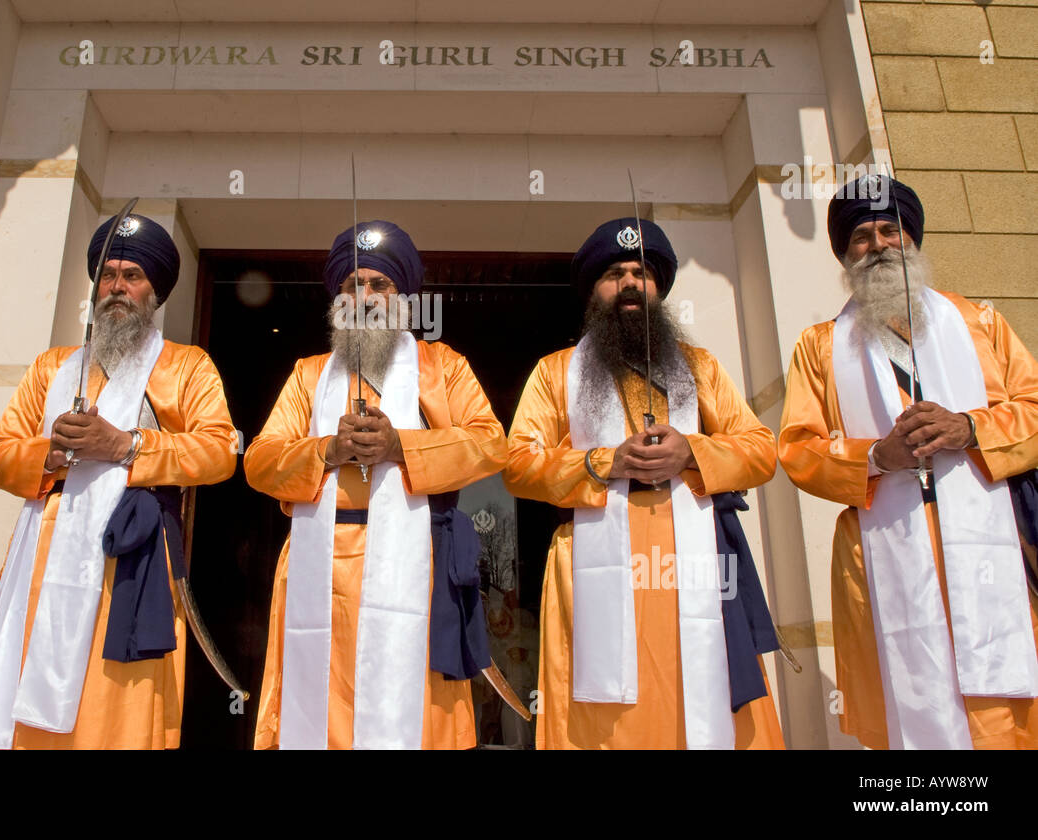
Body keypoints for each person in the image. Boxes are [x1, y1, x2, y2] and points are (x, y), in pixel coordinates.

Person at [0, 214, 236, 750]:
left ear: (155, 290)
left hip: (131, 557)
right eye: (108, 276)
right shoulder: (51, 366)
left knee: (115, 703)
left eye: (132, 276)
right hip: (44, 551)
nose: (118, 288)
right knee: (30, 687)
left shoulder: (187, 366)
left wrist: (126, 446)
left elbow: (220, 452)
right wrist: (51, 454)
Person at [779, 174, 1038, 749]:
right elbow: (797, 449)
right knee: (910, 702)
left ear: (912, 240)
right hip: (879, 549)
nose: (877, 246)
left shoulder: (980, 323)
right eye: (861, 237)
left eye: (890, 231)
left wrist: (969, 427)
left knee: (1001, 715)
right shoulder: (820, 345)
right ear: (845, 255)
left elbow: (1034, 407)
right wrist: (876, 455)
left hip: (991, 538)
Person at [504, 218, 784, 749]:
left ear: (659, 288)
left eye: (642, 272)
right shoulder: (555, 371)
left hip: (695, 556)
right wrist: (605, 462)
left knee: (698, 694)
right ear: (594, 291)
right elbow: (517, 463)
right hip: (593, 560)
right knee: (608, 717)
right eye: (614, 273)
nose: (630, 283)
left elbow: (761, 449)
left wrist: (693, 451)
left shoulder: (699, 367)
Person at [244, 220, 508, 749]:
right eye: (351, 286)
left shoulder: (444, 368)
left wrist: (401, 447)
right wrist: (328, 450)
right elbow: (260, 460)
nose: (364, 296)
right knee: (321, 707)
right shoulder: (309, 374)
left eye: (379, 284)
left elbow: (491, 444)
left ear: (402, 296)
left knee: (414, 712)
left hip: (420, 563)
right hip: (322, 566)